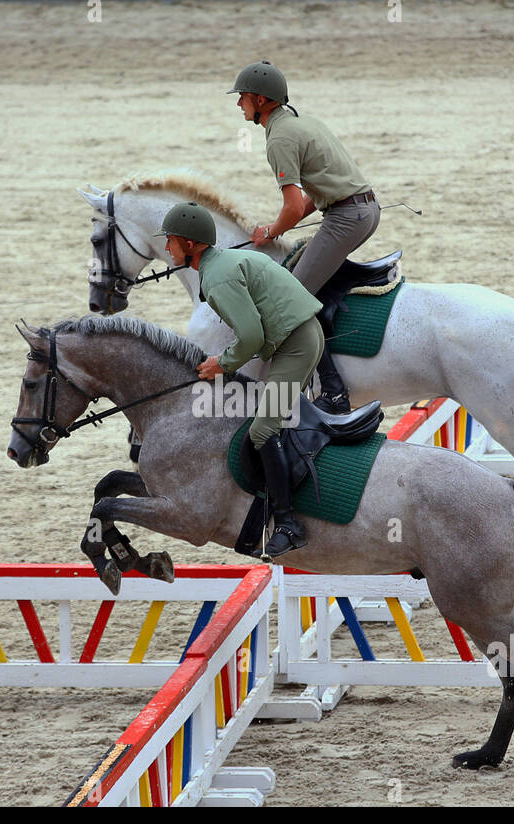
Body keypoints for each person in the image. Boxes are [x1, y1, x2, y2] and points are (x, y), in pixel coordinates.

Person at [156, 201, 324, 558]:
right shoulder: (224, 261)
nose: (166, 247)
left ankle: (288, 525)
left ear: (189, 244)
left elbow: (251, 338)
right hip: (296, 337)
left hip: (295, 347)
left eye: (170, 240)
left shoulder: (217, 278)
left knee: (262, 430)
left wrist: (222, 363)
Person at [229, 60, 378, 412]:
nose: (238, 105)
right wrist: (277, 226)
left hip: (346, 218)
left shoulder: (279, 139)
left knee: (290, 302)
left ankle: (335, 392)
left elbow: (294, 208)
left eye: (243, 98)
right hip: (366, 210)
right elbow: (317, 193)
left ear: (262, 101)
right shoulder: (304, 123)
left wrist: (271, 231)